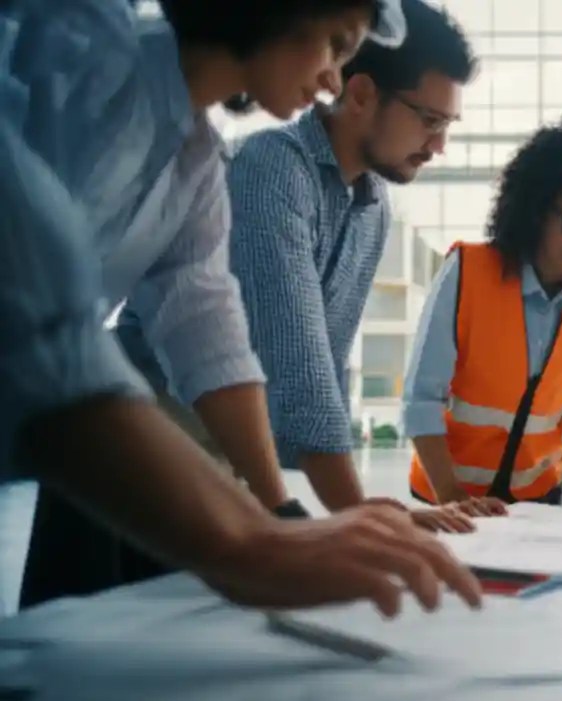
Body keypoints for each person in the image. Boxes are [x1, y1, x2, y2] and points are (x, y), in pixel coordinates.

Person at [8, 0, 481, 612]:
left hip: (131, 429)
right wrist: (292, 522)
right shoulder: (87, 57)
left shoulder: (199, 158)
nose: (334, 79)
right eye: (335, 43)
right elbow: (294, 357)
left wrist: (281, 512)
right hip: (128, 432)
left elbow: (209, 330)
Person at [119, 0, 494, 530]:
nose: (439, 146)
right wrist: (353, 509)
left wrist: (339, 509)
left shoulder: (371, 206)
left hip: (229, 451)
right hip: (143, 438)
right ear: (361, 93)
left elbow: (327, 362)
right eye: (430, 121)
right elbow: (296, 363)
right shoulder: (271, 167)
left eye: (448, 125)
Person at [402, 118, 562, 510]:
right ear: (535, 209)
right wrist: (451, 497)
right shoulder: (468, 272)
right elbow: (421, 398)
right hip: (444, 496)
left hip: (536, 501)